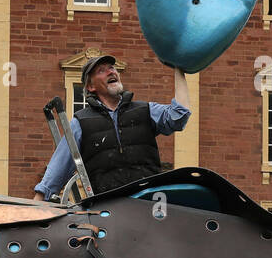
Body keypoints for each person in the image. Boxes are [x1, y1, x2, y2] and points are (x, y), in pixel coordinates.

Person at [34, 54, 191, 200]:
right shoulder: (80, 122)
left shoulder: (145, 110)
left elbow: (179, 115)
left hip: (149, 203)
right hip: (110, 210)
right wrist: (34, 209)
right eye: (101, 71)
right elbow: (57, 169)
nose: (110, 72)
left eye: (112, 68)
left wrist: (179, 69)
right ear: (90, 86)